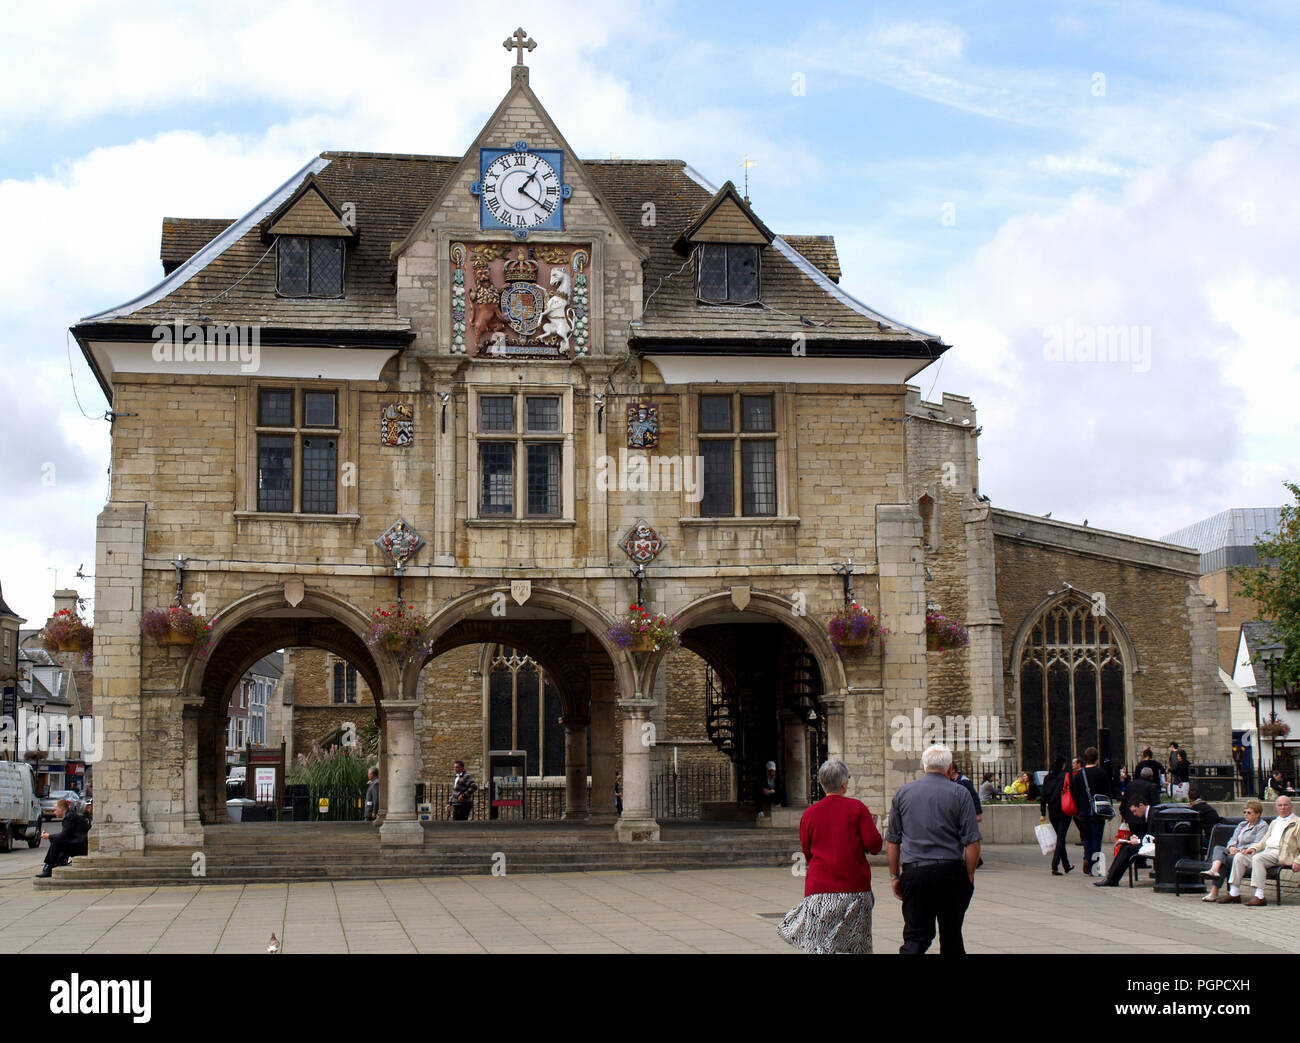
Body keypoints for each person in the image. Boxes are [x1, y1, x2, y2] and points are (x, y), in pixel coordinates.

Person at [777, 759, 883, 953]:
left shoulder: (809, 814)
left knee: (821, 946)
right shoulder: (857, 808)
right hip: (854, 888)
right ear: (844, 783)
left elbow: (807, 852)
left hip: (819, 889)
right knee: (857, 946)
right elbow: (875, 845)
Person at [886, 744, 981, 954]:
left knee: (915, 936)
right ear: (949, 768)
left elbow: (893, 840)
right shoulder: (961, 794)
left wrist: (894, 875)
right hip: (950, 871)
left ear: (923, 766)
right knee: (952, 935)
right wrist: (969, 875)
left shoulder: (903, 793)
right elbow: (972, 841)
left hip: (915, 871)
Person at [1220, 795, 1299, 906]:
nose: (1283, 807)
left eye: (1286, 805)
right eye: (1280, 805)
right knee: (1239, 857)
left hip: (1282, 853)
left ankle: (1259, 895)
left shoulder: (1297, 823)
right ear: (1276, 807)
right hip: (1267, 851)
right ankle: (1234, 893)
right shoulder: (1275, 822)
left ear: (1291, 806)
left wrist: (1298, 861)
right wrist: (1253, 848)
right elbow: (1263, 841)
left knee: (1258, 858)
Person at [1200, 798, 1268, 903]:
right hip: (1235, 854)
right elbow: (1233, 839)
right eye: (1244, 812)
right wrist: (1231, 847)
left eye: (1249, 812)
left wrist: (1239, 850)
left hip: (1247, 856)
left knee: (1222, 861)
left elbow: (1258, 843)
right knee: (1218, 848)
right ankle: (1215, 872)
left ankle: (1215, 889)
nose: (1246, 815)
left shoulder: (1262, 826)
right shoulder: (1242, 825)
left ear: (1257, 814)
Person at [1095, 800, 1154, 887]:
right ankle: (1111, 877)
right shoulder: (1149, 814)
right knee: (1125, 846)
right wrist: (1137, 839)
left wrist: (1138, 841)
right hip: (1151, 843)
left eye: (1135, 811)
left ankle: (1112, 878)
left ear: (1141, 805)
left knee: (1127, 848)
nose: (1134, 814)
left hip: (1155, 845)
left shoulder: (1152, 814)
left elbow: (1152, 836)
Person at [1074, 747, 1112, 876]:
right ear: (1097, 758)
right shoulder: (1101, 773)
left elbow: (1075, 793)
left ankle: (1087, 859)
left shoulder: (1080, 774)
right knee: (1097, 838)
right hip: (1098, 810)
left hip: (1084, 811)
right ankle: (1095, 868)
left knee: (1087, 838)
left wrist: (1078, 810)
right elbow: (1107, 792)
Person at [35, 798, 91, 879]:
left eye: (55, 810)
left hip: (81, 847)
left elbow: (64, 835)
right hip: (80, 844)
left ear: (62, 809)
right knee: (58, 840)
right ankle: (52, 865)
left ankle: (49, 868)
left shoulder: (69, 817)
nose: (54, 812)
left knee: (57, 841)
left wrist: (49, 836)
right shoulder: (70, 815)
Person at [1038, 756, 1074, 876]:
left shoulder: (1048, 778)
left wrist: (1042, 813)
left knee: (1060, 837)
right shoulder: (1066, 776)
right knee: (1061, 837)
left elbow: (1043, 796)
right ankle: (1055, 865)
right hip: (1064, 808)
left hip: (1052, 809)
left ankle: (1066, 865)